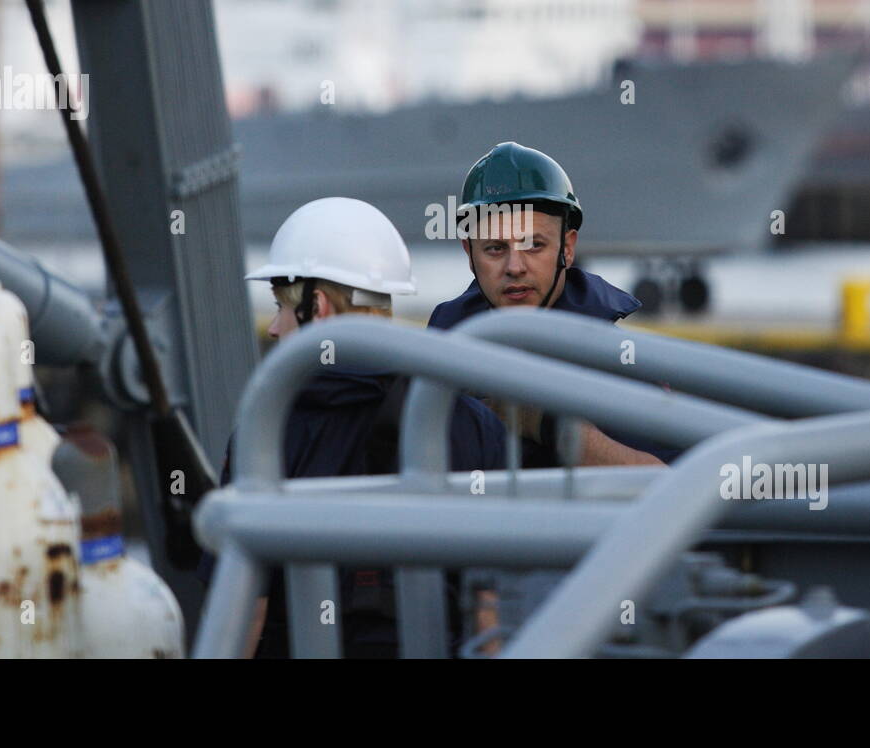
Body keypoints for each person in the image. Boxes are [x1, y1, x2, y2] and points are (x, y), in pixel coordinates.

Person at [198, 197, 509, 658]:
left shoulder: (269, 431)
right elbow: (491, 611)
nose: (276, 329)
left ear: (317, 306)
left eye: (281, 307)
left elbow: (245, 611)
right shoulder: (471, 421)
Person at [429, 141, 681, 464]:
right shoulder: (440, 350)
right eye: (494, 248)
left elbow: (676, 487)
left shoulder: (618, 361)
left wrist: (551, 426)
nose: (515, 267)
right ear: (469, 253)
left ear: (567, 248)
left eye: (534, 245)